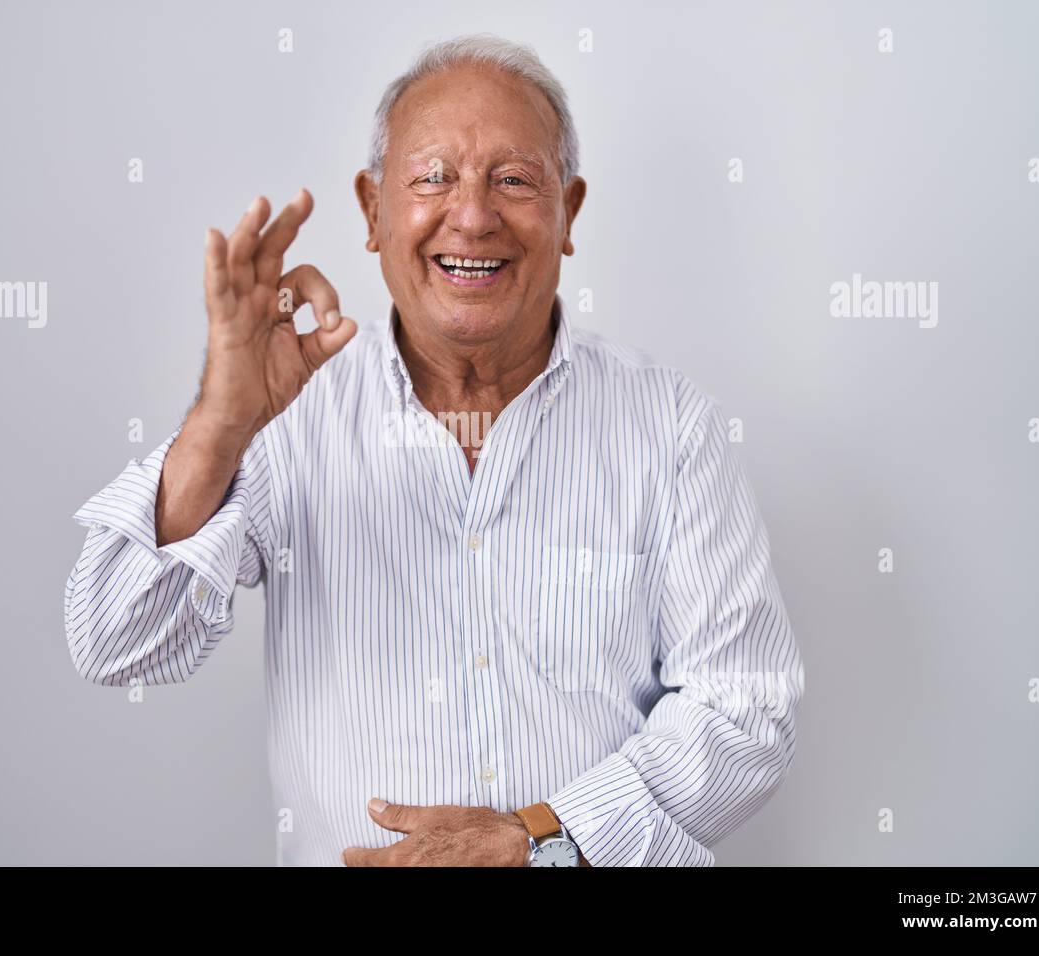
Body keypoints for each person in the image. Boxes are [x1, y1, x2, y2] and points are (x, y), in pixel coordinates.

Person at [64, 33, 804, 866]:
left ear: (570, 212)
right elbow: (114, 640)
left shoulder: (670, 427)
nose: (473, 215)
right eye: (432, 178)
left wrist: (544, 838)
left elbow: (746, 710)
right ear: (373, 211)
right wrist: (223, 422)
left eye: (515, 180)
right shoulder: (290, 422)